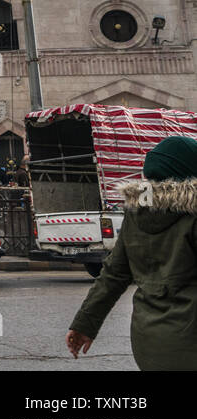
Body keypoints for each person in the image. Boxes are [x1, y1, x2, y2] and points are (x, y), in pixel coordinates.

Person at [66, 135, 197, 370]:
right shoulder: (191, 218)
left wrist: (84, 324)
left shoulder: (136, 215)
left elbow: (113, 275)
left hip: (148, 342)